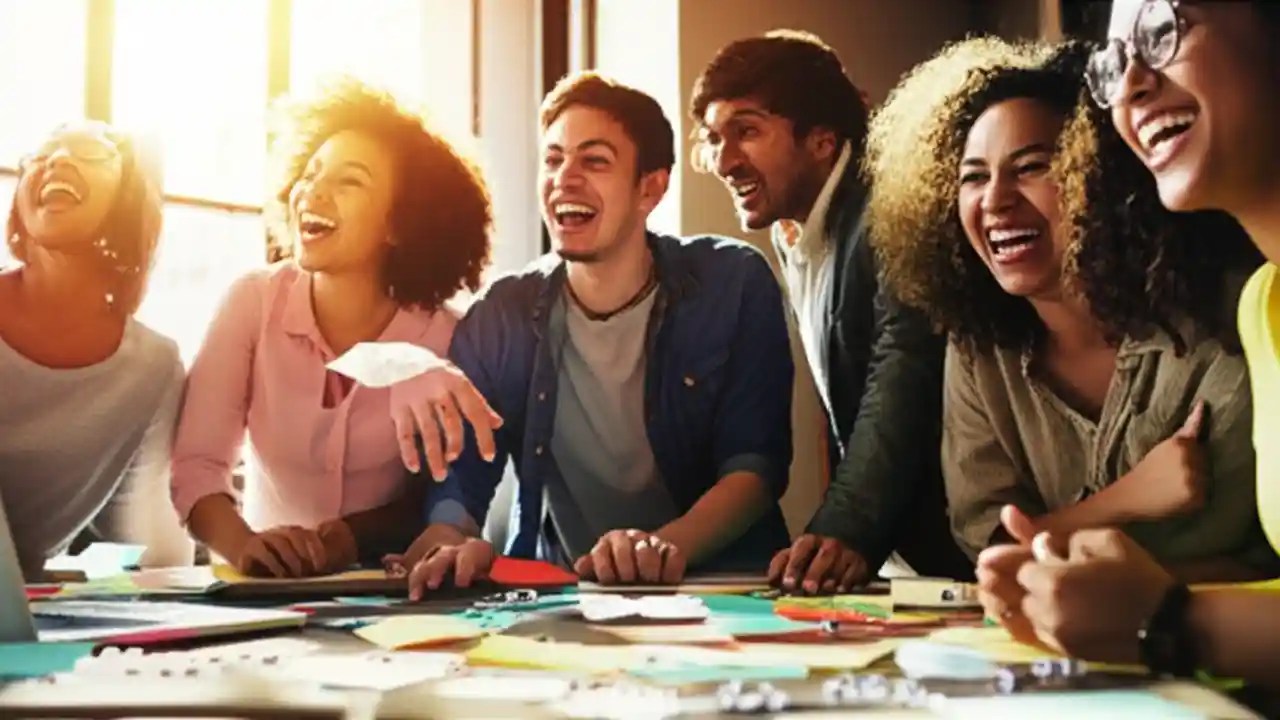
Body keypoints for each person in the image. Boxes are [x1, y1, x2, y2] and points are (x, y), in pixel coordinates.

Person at [868, 36, 1273, 586]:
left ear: (1103, 175)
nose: (995, 200)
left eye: (1031, 166)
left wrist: (1073, 561)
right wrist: (1127, 499)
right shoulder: (977, 347)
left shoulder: (1229, 321)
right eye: (974, 177)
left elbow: (1260, 565)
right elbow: (993, 553)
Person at [396, 72, 794, 597]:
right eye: (554, 159)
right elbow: (463, 477)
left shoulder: (734, 282)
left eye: (595, 160)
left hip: (721, 589)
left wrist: (658, 549)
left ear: (650, 186)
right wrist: (447, 538)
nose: (565, 178)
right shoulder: (502, 314)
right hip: (568, 596)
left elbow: (754, 468)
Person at [977, 0, 1280, 688]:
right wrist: (1096, 603)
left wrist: (1175, 621)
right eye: (1111, 66)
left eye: (1163, 32)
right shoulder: (1264, 304)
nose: (1133, 84)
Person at [170, 78, 495, 578]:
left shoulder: (449, 339)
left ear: (399, 224)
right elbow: (197, 466)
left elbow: (446, 495)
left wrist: (352, 537)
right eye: (311, 172)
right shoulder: (252, 303)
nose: (314, 191)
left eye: (351, 181)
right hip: (261, 596)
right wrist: (245, 546)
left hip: (390, 592)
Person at [690, 30, 970, 594]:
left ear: (821, 141)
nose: (724, 161)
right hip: (903, 563)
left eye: (745, 131)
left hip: (968, 556)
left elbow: (903, 369)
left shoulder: (889, 211)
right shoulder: (795, 229)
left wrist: (846, 529)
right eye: (714, 138)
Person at [0, 121, 192, 579]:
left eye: (88, 153)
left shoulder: (154, 368)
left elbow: (152, 541)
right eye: (42, 155)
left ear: (128, 200)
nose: (58, 160)